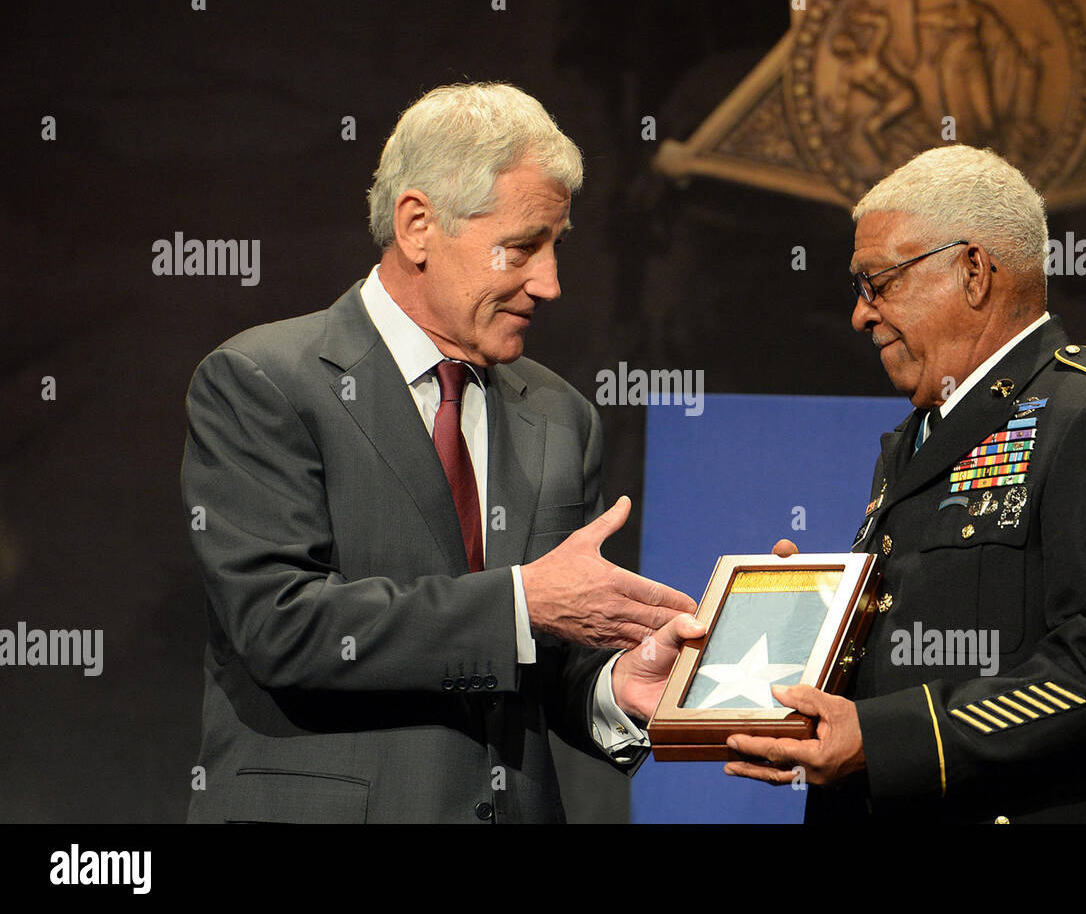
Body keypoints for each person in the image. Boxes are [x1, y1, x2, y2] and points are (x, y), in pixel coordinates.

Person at [181, 83, 700, 823]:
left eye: (557, 246)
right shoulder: (263, 381)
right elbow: (281, 625)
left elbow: (541, 658)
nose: (550, 283)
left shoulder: (559, 415)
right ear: (419, 225)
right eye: (523, 247)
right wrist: (522, 602)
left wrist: (616, 686)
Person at [725, 144, 1086, 823]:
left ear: (973, 271)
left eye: (878, 282)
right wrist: (817, 628)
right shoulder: (921, 432)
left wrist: (889, 740)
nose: (861, 314)